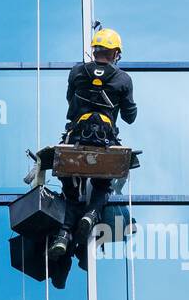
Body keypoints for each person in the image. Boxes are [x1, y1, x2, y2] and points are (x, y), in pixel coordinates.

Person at [48, 28, 138, 268]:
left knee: (70, 190)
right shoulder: (123, 79)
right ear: (115, 54)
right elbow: (130, 117)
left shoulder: (77, 71)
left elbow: (71, 103)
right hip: (104, 143)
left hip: (75, 139)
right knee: (102, 183)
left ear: (94, 50)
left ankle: (64, 234)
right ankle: (90, 215)